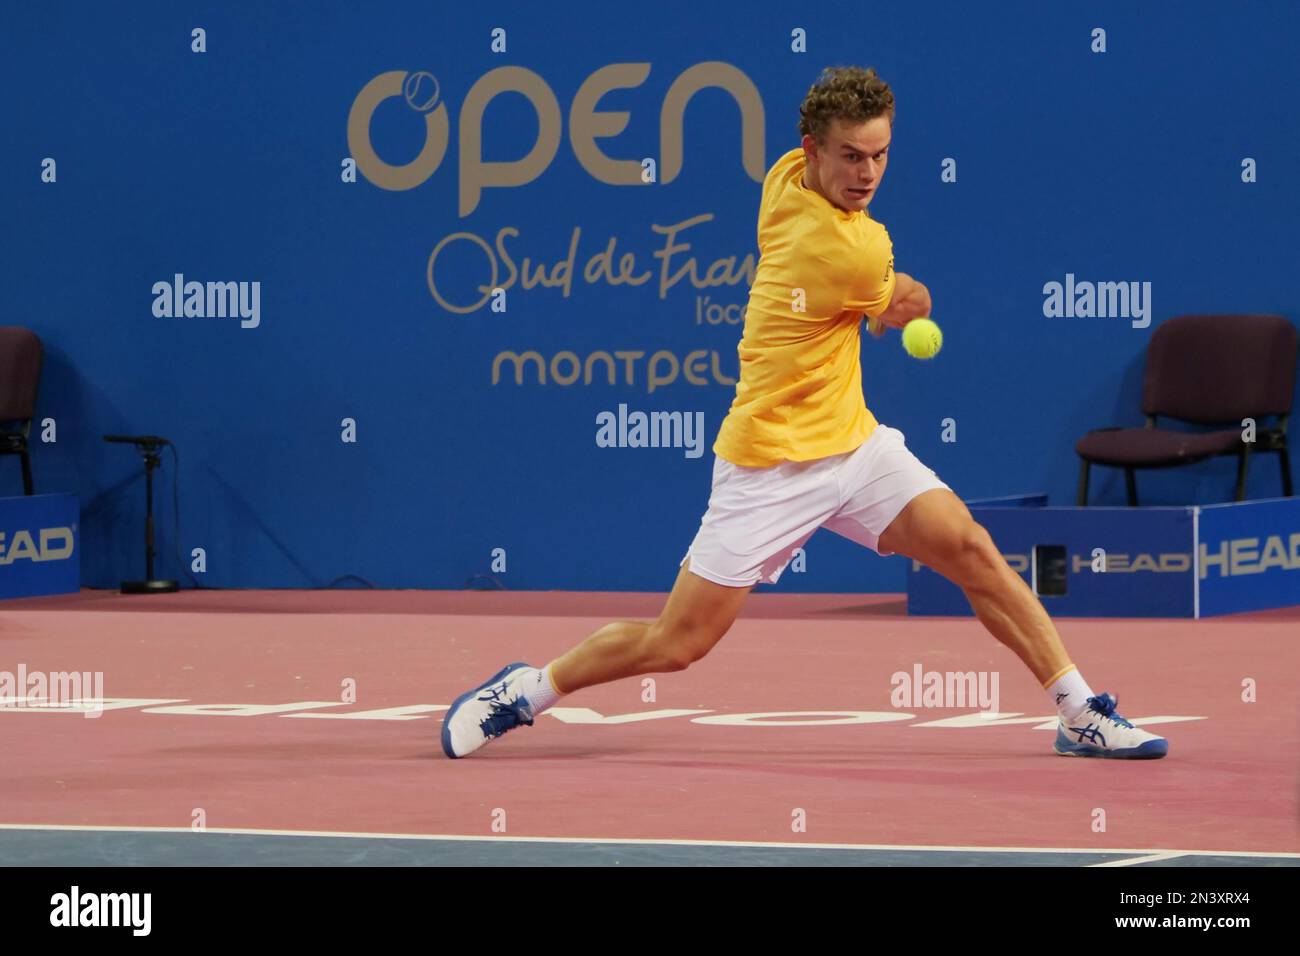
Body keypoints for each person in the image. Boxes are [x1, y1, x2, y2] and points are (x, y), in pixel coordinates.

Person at [442, 66, 1168, 761]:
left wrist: (875, 312)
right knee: (677, 645)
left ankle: (1080, 713)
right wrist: (904, 304)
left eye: (880, 155)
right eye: (851, 156)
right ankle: (528, 690)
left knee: (972, 550)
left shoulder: (783, 182)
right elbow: (904, 303)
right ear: (813, 151)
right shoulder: (848, 246)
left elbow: (874, 311)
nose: (868, 174)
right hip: (768, 466)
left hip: (853, 448)